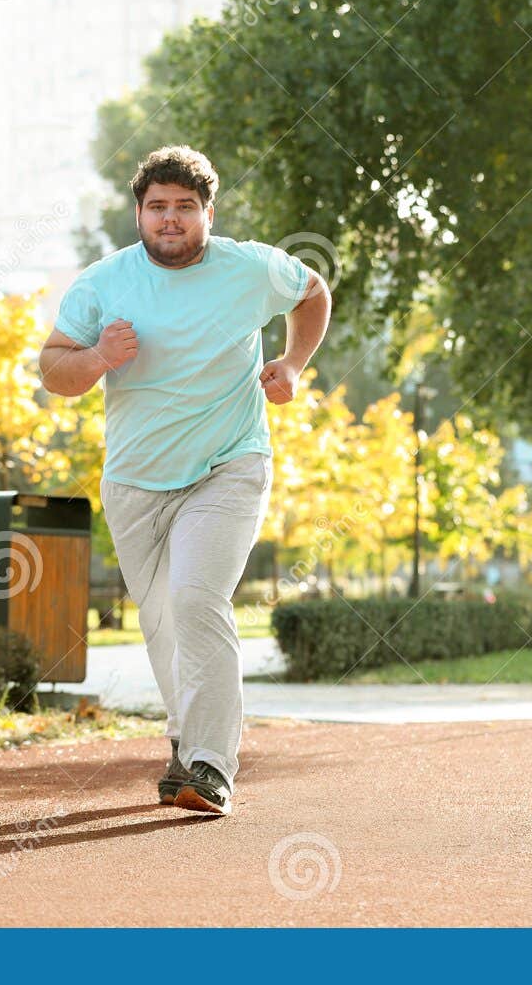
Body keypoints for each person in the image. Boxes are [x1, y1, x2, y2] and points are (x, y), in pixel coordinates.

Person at [36, 145, 331, 815]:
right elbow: (53, 372)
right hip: (137, 480)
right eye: (158, 207)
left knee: (198, 599)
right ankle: (186, 739)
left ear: (207, 212)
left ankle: (210, 765)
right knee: (163, 620)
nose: (172, 219)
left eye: (186, 207)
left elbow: (313, 291)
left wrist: (293, 362)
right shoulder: (103, 282)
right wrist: (97, 357)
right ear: (138, 212)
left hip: (230, 464)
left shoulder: (250, 267)